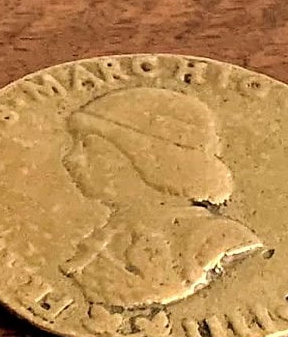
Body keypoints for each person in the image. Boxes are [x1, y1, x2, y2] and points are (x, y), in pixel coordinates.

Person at [57, 86, 266, 311]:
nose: (71, 159)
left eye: (88, 145)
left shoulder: (218, 242)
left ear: (148, 159)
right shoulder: (109, 236)